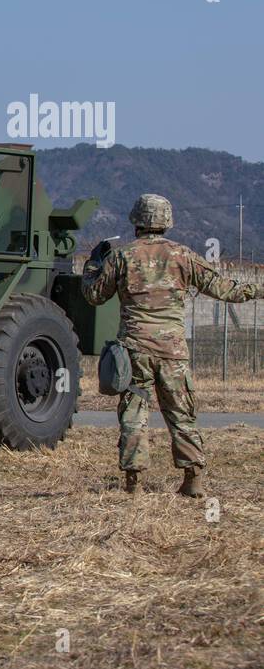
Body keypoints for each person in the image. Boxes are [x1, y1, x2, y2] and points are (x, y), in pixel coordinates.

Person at [82, 194, 257, 496]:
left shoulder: (123, 257)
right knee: (180, 413)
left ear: (136, 220)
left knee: (134, 413)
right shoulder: (183, 256)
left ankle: (133, 483)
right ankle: (193, 480)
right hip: (173, 351)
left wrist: (93, 265)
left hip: (135, 349)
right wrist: (258, 289)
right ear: (167, 221)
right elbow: (227, 290)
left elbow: (94, 295)